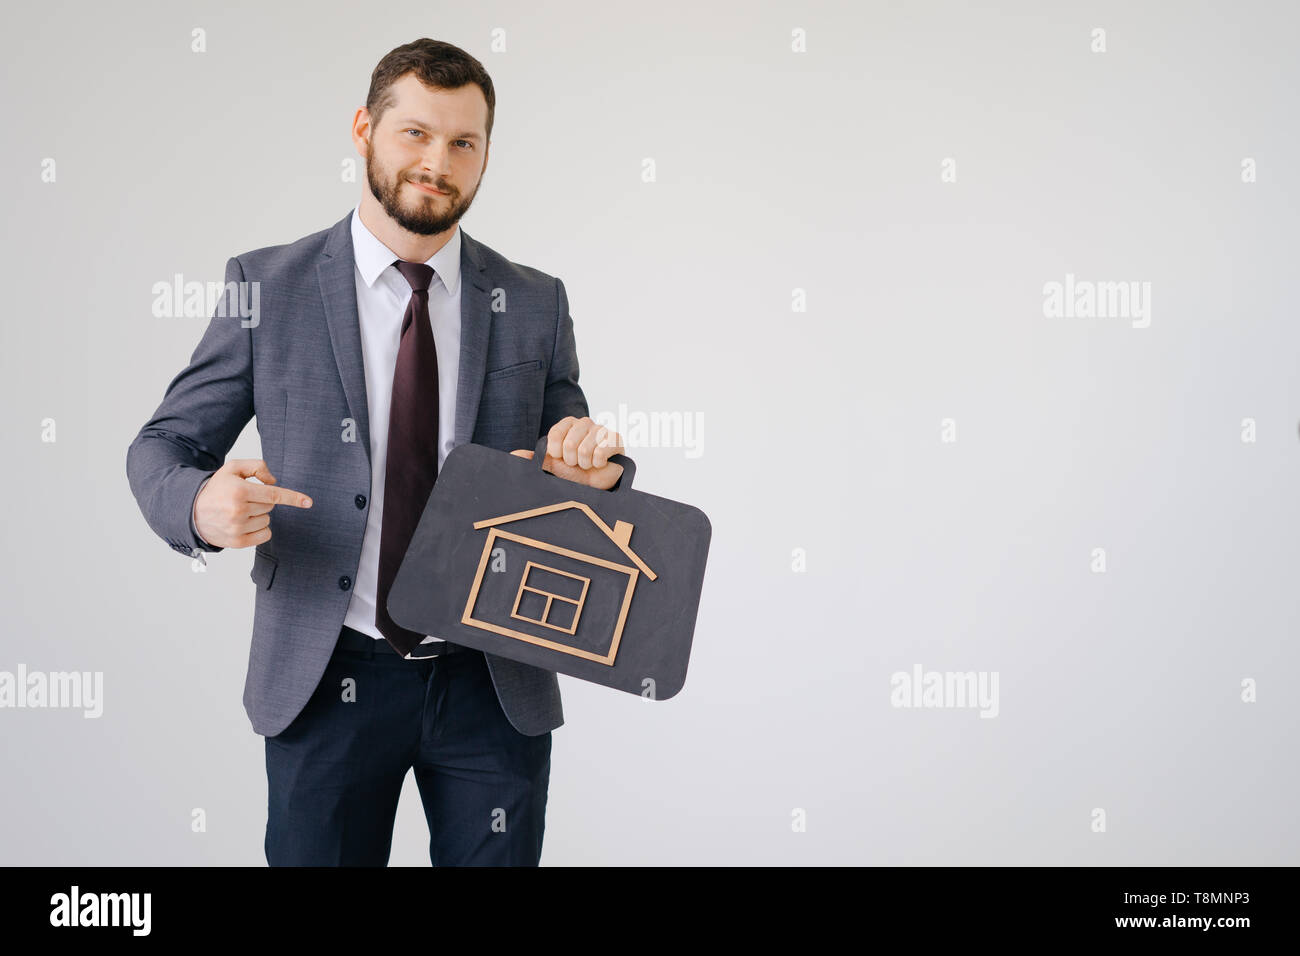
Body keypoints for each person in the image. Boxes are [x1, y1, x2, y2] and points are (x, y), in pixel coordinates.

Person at [125, 37, 624, 866]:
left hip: (492, 681)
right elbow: (164, 445)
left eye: (463, 142)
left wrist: (595, 474)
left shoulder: (534, 301)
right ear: (364, 129)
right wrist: (198, 506)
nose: (438, 163)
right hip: (327, 677)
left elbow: (574, 455)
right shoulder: (267, 287)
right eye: (415, 133)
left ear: (486, 154)